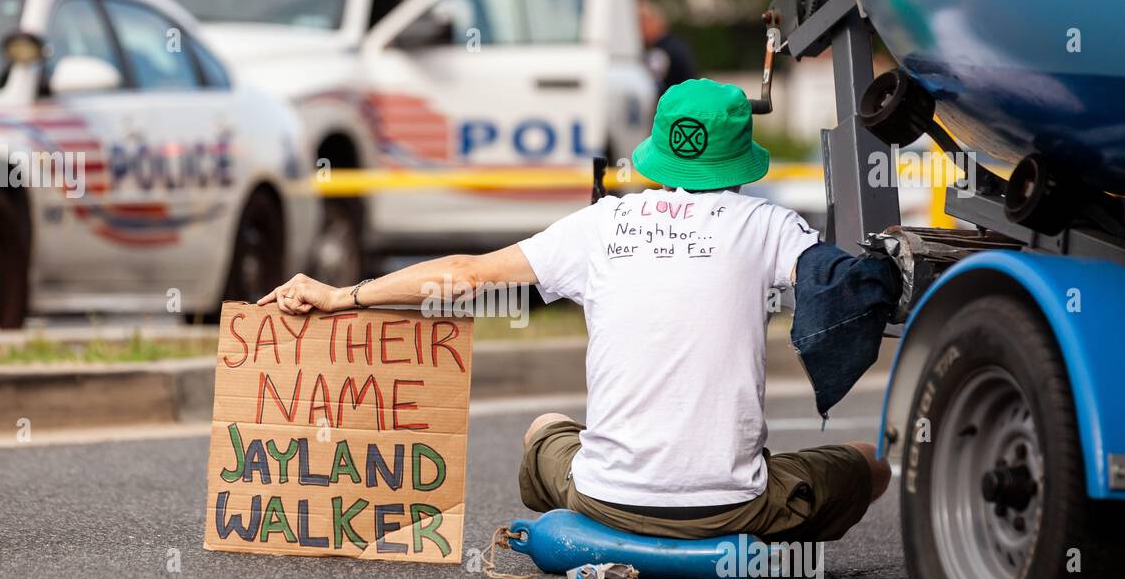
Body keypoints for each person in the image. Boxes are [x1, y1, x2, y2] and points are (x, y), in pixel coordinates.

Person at [261, 78, 892, 543]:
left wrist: (341, 295)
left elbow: (465, 276)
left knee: (545, 428)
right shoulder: (769, 225)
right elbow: (836, 286)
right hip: (731, 514)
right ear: (737, 158)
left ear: (660, 152)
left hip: (603, 501)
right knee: (870, 462)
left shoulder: (601, 223)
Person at [639, 0, 698, 95]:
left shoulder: (661, 52)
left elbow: (651, 90)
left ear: (653, 21)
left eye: (641, 22)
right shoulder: (674, 45)